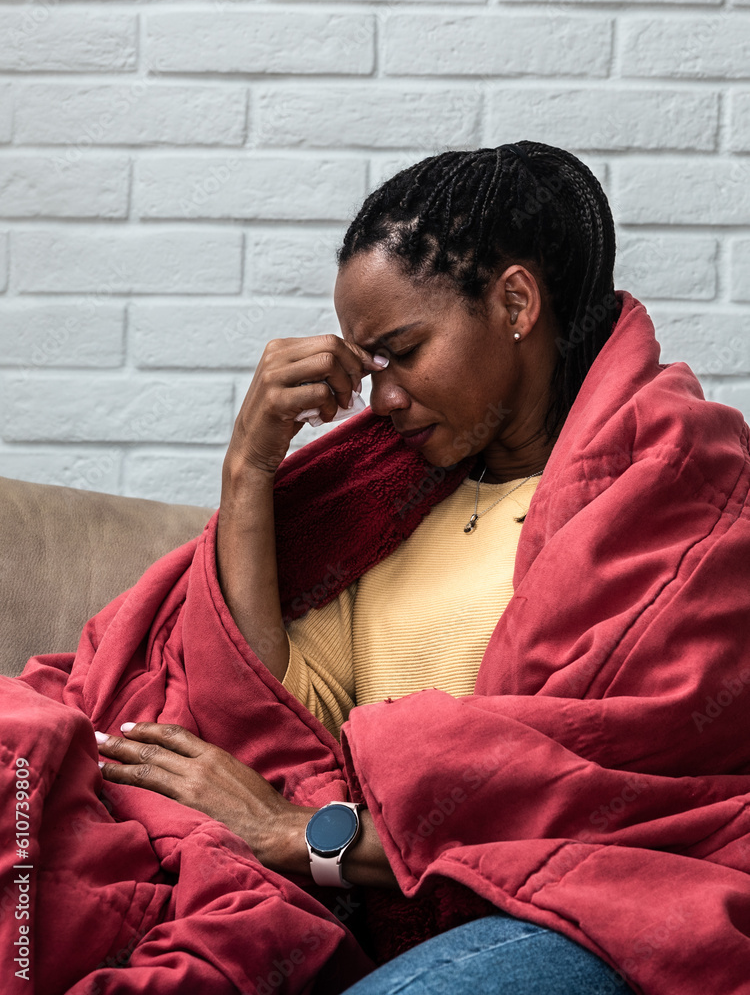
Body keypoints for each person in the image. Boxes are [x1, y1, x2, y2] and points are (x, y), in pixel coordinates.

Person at [86, 141, 750, 994]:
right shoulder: (387, 508)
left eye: (403, 350)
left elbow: (622, 791)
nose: (383, 397)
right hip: (389, 915)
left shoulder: (673, 479)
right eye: (370, 366)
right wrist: (249, 469)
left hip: (595, 915)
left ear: (515, 302)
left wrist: (303, 835)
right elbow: (272, 709)